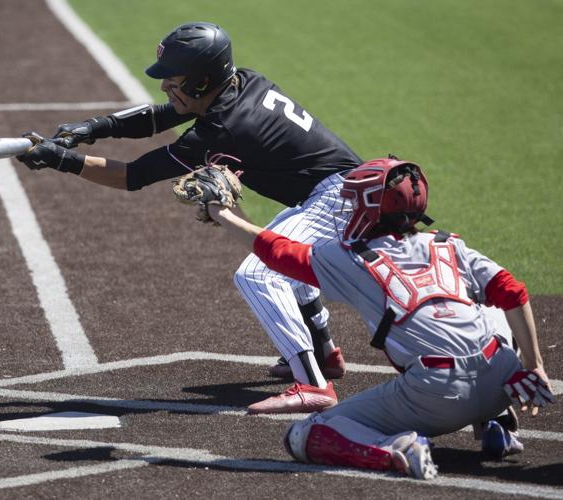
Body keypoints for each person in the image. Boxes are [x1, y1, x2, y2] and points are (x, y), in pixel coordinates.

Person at [16, 21, 363, 413]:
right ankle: (323, 352)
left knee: (258, 272)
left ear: (200, 81)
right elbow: (163, 116)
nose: (165, 85)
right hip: (343, 191)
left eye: (173, 79)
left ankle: (313, 384)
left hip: (338, 201)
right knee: (286, 249)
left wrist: (63, 160)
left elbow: (133, 175)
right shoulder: (243, 82)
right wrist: (95, 128)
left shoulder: (223, 130)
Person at [197, 157, 554, 478]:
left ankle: (398, 451)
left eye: (353, 202)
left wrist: (221, 214)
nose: (348, 209)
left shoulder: (353, 259)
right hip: (505, 383)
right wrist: (533, 365)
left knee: (306, 435)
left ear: (371, 210)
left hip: (436, 398)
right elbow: (514, 292)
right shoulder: (448, 245)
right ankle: (495, 421)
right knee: (480, 301)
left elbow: (278, 253)